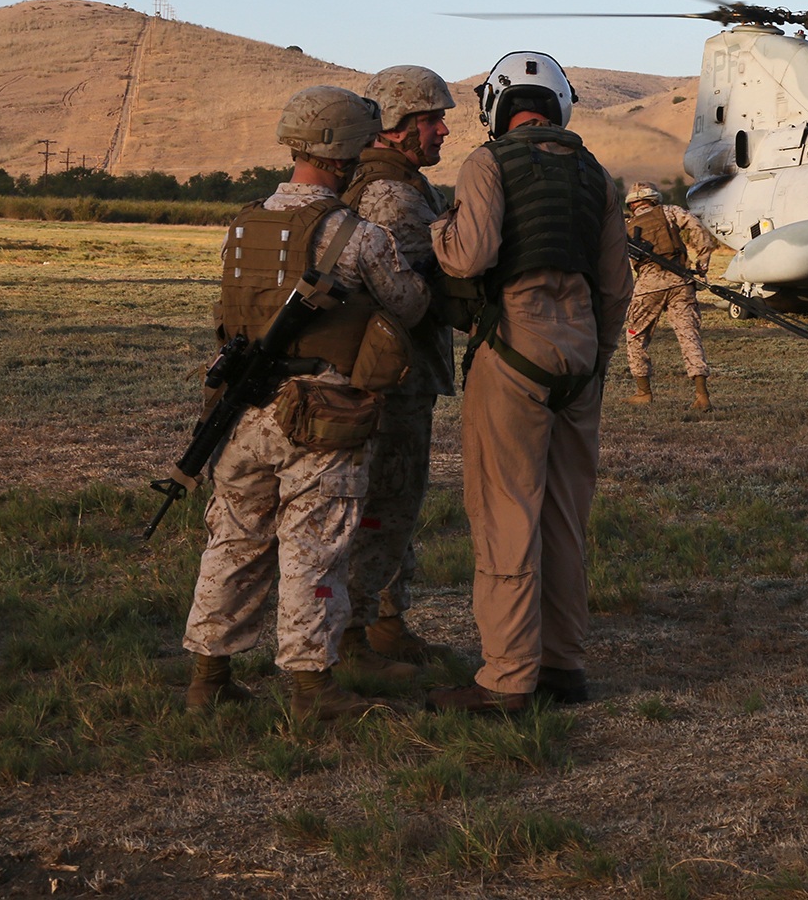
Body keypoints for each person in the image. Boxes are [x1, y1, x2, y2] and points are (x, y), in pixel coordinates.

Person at [182, 86, 431, 720]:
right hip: (320, 412)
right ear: (348, 151)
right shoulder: (356, 234)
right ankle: (311, 689)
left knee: (233, 542)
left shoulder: (244, 222)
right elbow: (409, 304)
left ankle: (208, 678)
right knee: (314, 546)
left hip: (243, 411)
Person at [426, 51, 631, 715]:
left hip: (514, 354)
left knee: (507, 515)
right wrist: (597, 360)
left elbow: (470, 253)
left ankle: (508, 679)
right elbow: (614, 286)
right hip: (580, 362)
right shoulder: (598, 176)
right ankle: (564, 667)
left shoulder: (488, 163)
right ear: (559, 106)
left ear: (497, 108)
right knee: (565, 520)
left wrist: (435, 229)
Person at [340, 65, 457, 671]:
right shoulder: (391, 195)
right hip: (391, 377)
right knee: (386, 502)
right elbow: (409, 295)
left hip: (392, 374)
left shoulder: (396, 184)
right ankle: (358, 635)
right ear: (395, 125)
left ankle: (385, 622)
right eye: (431, 120)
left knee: (393, 498)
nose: (442, 131)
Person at [621, 181, 718, 411]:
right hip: (681, 282)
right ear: (654, 199)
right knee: (689, 336)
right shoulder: (670, 212)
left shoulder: (626, 226)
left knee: (636, 336)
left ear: (632, 203)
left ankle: (643, 392)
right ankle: (701, 395)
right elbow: (697, 227)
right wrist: (702, 262)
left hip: (648, 286)